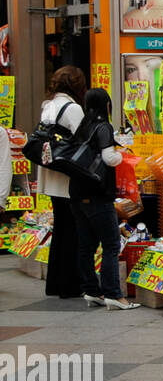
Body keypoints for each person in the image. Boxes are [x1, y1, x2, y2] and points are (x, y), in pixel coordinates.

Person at [69, 89, 138, 310]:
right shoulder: (103, 127)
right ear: (106, 105)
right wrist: (124, 156)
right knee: (110, 243)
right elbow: (109, 158)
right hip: (98, 193)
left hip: (77, 193)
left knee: (86, 245)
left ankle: (92, 291)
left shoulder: (82, 127)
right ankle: (113, 295)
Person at [37, 66, 87, 299]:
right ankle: (70, 284)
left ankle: (55, 282)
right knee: (72, 229)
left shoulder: (48, 106)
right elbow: (84, 140)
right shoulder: (73, 108)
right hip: (68, 176)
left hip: (51, 174)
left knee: (61, 228)